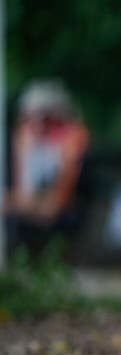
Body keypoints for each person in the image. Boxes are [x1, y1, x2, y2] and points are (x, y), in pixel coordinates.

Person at [3, 80, 89, 250]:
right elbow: (25, 192)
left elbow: (57, 203)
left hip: (64, 216)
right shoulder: (25, 140)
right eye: (29, 118)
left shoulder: (72, 139)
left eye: (46, 119)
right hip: (34, 210)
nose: (38, 126)